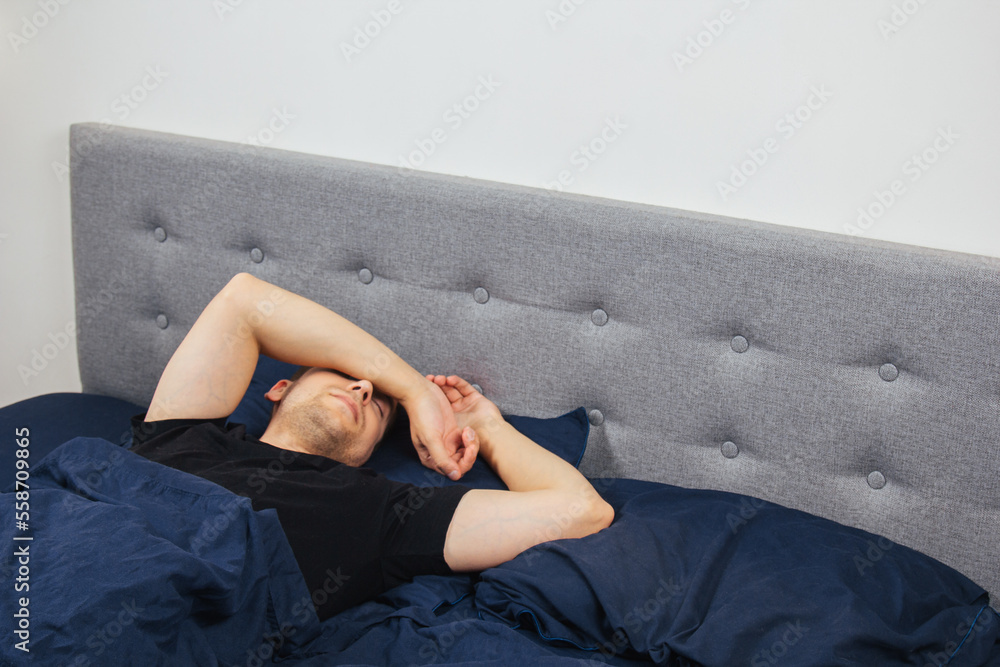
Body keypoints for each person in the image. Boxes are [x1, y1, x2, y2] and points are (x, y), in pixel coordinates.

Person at [130, 272, 614, 620]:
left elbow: (582, 510)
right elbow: (244, 299)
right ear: (278, 389)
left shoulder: (377, 512)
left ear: (367, 453)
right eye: (344, 376)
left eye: (382, 410)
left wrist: (486, 426)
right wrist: (415, 391)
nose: (364, 389)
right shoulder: (181, 432)